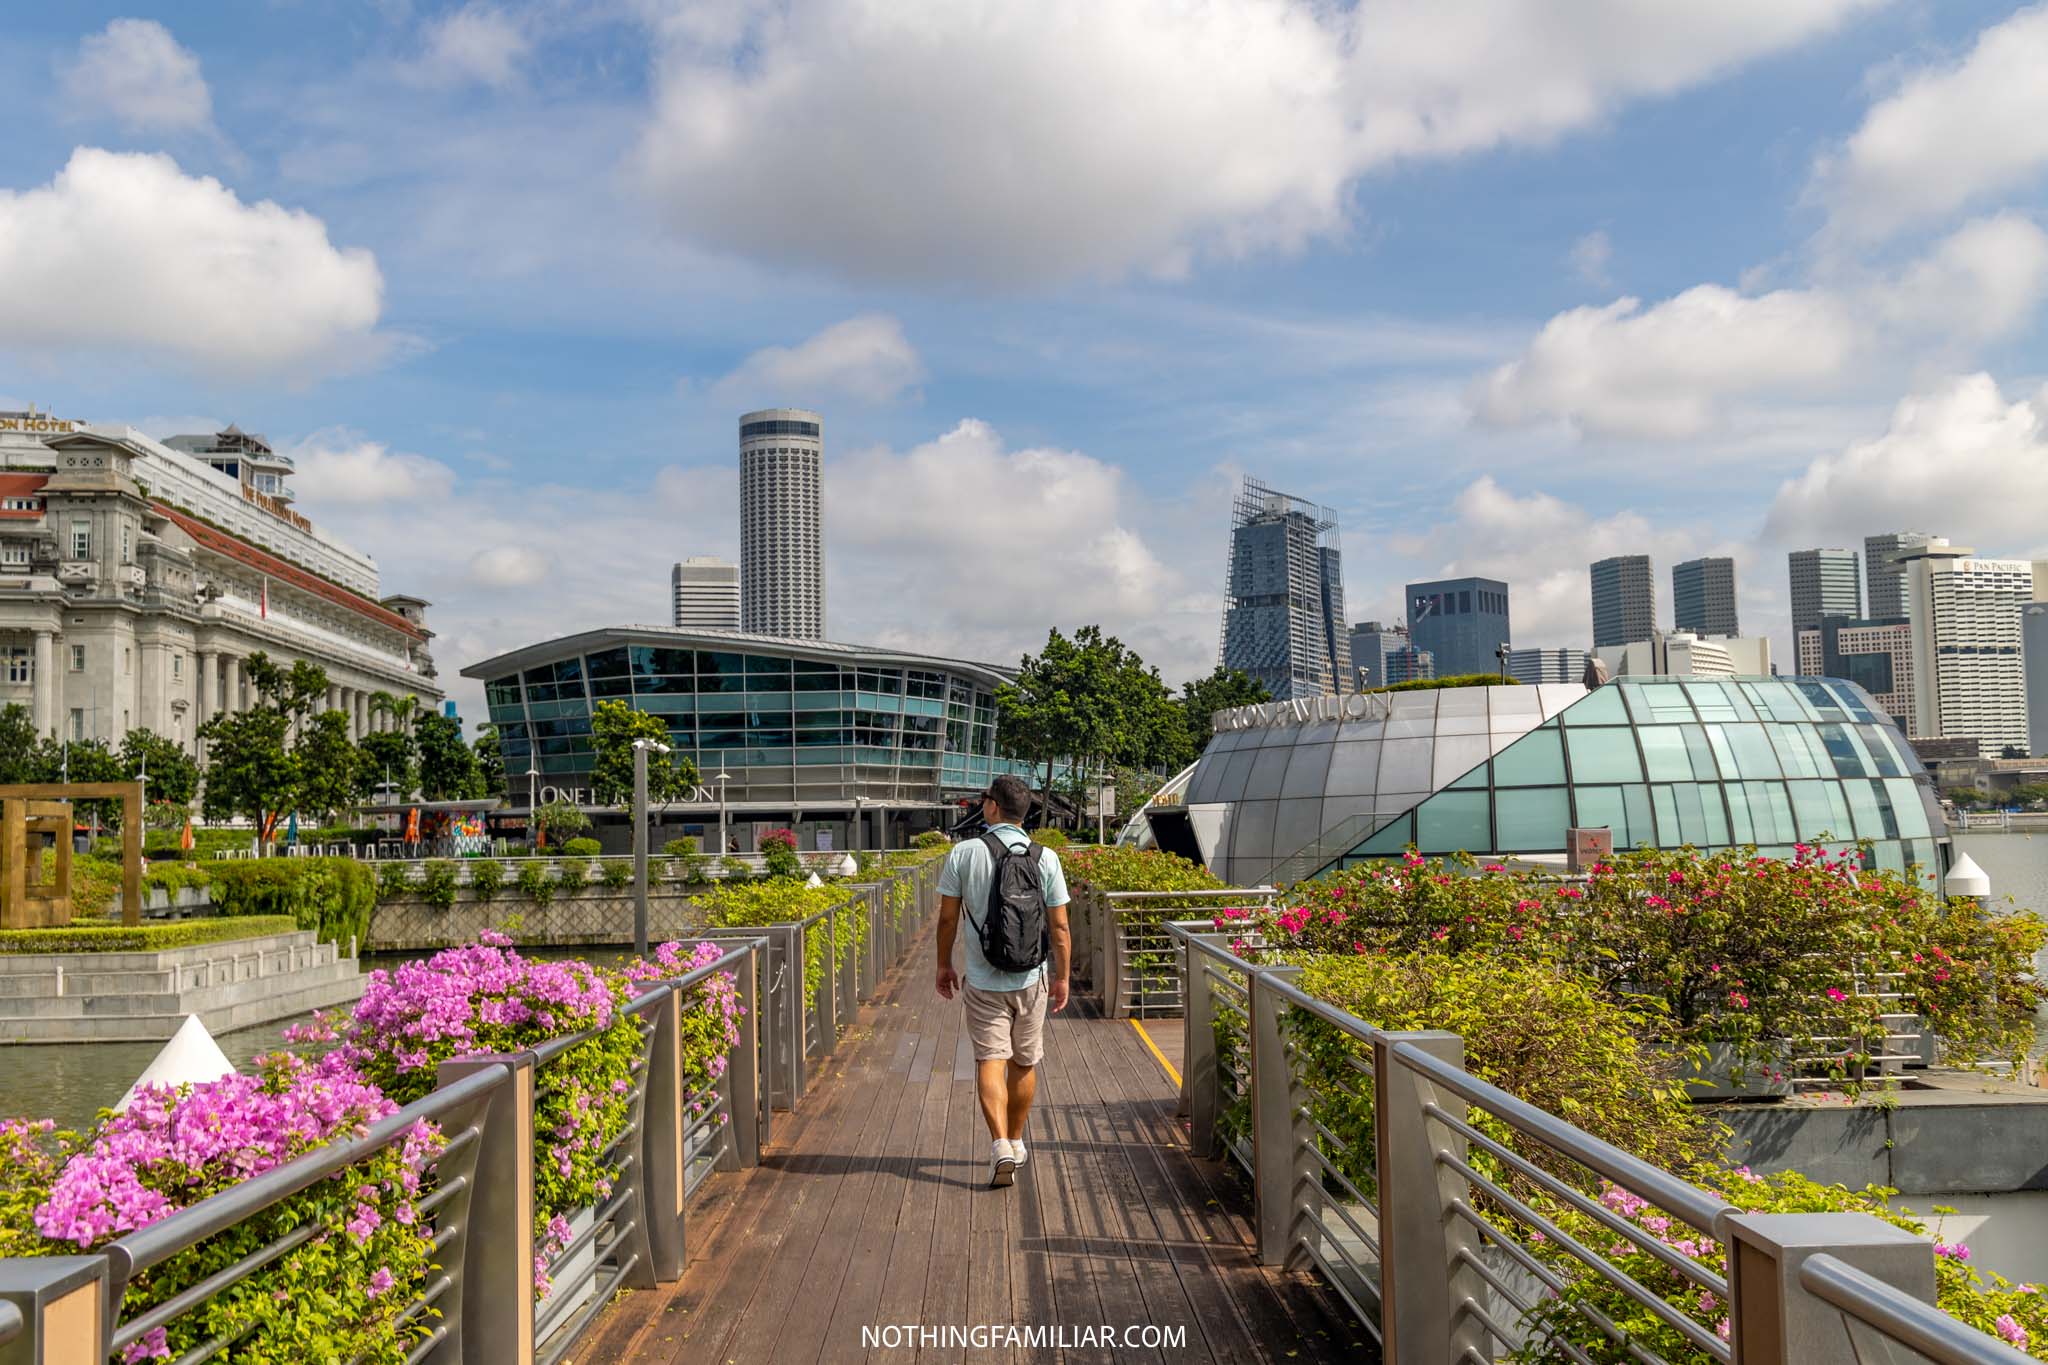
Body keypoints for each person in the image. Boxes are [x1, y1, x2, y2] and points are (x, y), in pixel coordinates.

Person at [935, 775, 1070, 1188]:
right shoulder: (1045, 857)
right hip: (1032, 978)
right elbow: (1060, 926)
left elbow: (946, 918)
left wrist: (944, 965)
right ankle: (1015, 1139)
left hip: (983, 979)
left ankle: (998, 1146)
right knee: (1025, 1061)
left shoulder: (965, 853)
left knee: (990, 1060)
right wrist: (1062, 976)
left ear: (991, 806)